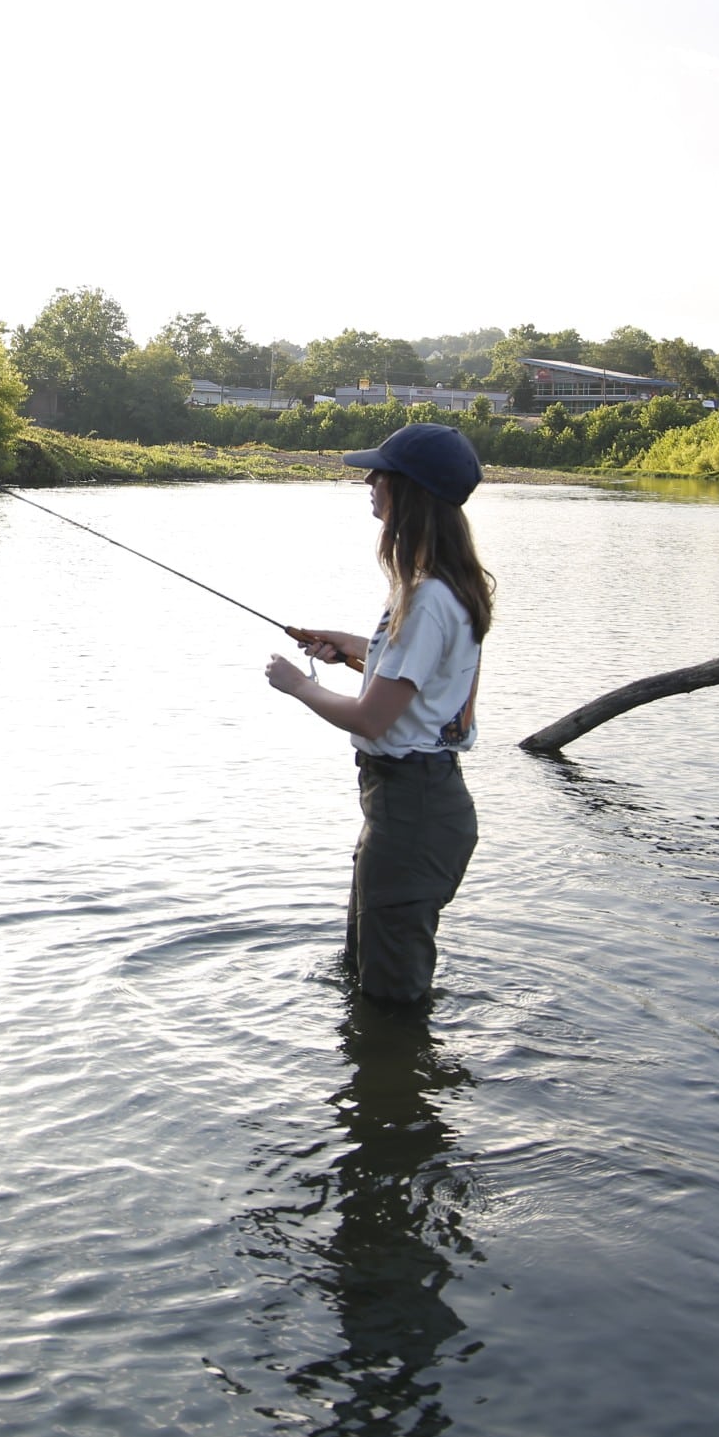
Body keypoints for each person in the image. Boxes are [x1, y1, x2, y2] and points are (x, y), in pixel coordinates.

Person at [264, 422, 495, 1005]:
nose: (368, 480)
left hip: (413, 813)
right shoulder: (441, 586)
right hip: (410, 806)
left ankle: (404, 1090)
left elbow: (373, 720)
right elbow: (424, 675)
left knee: (391, 1002)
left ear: (410, 491)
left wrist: (296, 686)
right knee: (363, 977)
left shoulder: (427, 600)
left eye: (380, 473)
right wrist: (353, 645)